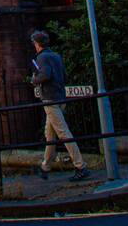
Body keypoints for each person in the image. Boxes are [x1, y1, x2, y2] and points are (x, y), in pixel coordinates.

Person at [29, 30, 91, 182]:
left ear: (37, 44)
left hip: (50, 100)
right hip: (60, 97)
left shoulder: (42, 57)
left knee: (63, 133)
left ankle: (80, 166)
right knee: (50, 134)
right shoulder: (56, 56)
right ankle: (45, 167)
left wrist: (34, 79)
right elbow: (64, 75)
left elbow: (45, 75)